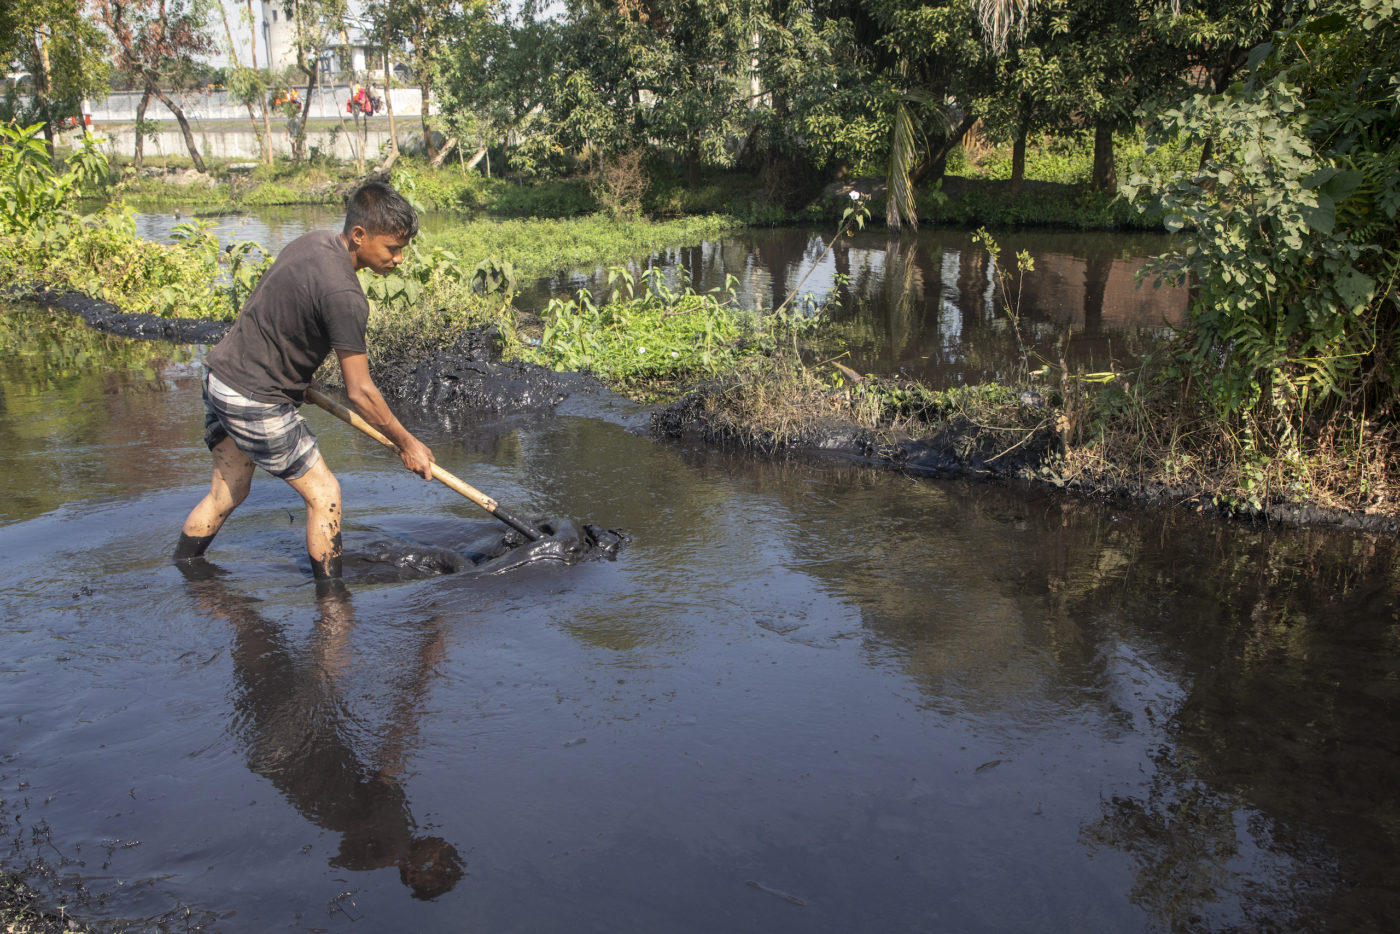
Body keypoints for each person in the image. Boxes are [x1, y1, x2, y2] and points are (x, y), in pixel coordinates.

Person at [174, 181, 435, 582]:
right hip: (252, 398)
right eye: (392, 248)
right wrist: (408, 444)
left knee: (227, 492)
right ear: (359, 235)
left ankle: (182, 570)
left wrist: (298, 379)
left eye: (402, 250)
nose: (399, 260)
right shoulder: (345, 295)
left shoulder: (312, 243)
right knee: (325, 495)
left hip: (219, 377)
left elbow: (278, 316)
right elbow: (360, 392)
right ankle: (332, 608)